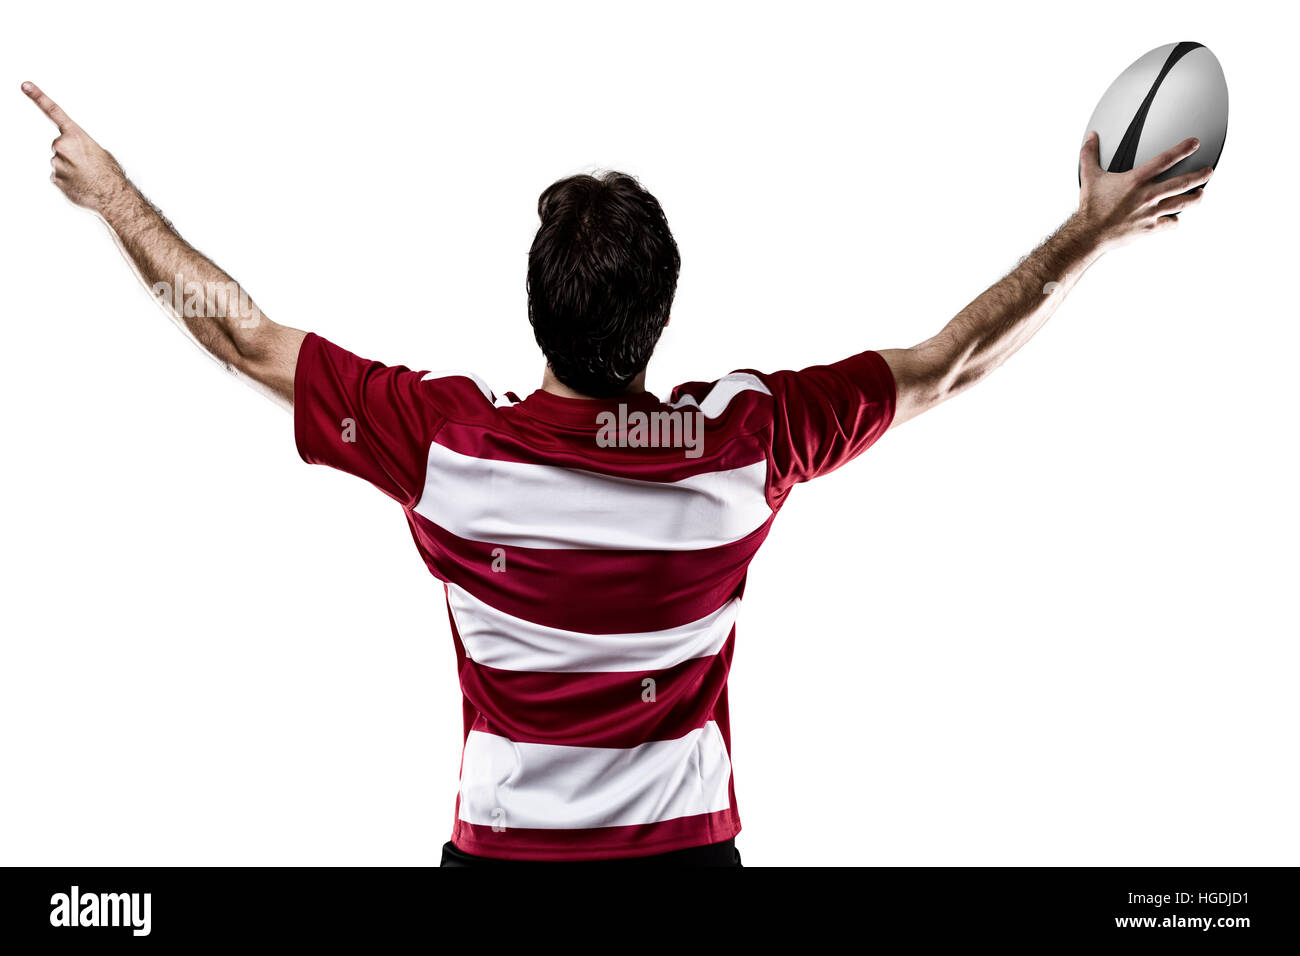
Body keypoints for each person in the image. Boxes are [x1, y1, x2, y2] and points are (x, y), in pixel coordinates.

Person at [21, 80, 1212, 867]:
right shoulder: (742, 443)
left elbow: (235, 335)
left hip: (502, 863)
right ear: (659, 322)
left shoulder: (447, 443)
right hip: (686, 864)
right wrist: (1089, 231)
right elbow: (947, 366)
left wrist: (111, 192)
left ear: (535, 311)